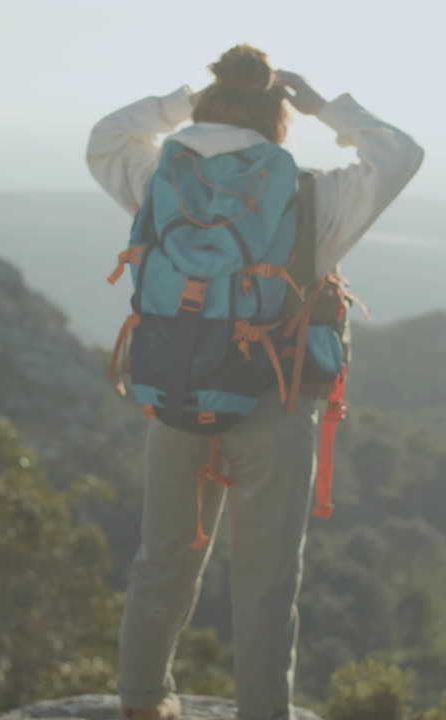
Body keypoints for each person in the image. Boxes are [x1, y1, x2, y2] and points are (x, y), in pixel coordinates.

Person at [86, 44, 423, 720]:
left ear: (208, 106)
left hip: (177, 391)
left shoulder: (158, 176)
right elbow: (398, 155)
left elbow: (106, 138)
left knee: (163, 563)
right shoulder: (309, 195)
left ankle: (143, 703)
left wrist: (184, 102)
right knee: (267, 583)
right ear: (278, 120)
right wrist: (325, 106)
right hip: (275, 400)